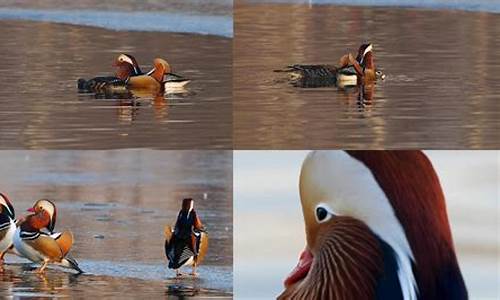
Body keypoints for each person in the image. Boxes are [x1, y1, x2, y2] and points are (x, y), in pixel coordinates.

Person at [169, 198, 204, 276]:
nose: (192, 206)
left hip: (186, 234)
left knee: (195, 240)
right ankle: (180, 267)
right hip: (184, 235)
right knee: (176, 242)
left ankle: (189, 268)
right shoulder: (185, 213)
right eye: (191, 204)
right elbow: (179, 224)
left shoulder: (189, 213)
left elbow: (197, 226)